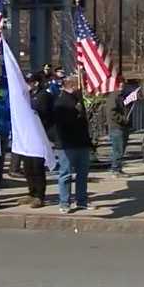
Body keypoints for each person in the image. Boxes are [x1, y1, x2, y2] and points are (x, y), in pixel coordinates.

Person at [51, 77, 94, 213]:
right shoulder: (61, 102)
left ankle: (81, 201)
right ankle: (64, 203)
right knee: (66, 174)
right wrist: (77, 113)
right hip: (67, 145)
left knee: (82, 174)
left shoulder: (78, 99)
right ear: (74, 86)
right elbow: (61, 125)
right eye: (80, 84)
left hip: (82, 142)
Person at [17, 72, 52, 208]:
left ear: (36, 83)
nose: (27, 84)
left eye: (29, 82)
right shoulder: (28, 96)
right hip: (27, 136)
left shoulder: (44, 96)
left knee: (37, 167)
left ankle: (39, 196)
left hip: (39, 135)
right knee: (28, 167)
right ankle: (31, 192)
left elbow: (44, 115)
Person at [104, 87, 128, 177]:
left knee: (120, 149)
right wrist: (122, 119)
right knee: (117, 149)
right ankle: (115, 169)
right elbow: (112, 112)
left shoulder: (120, 96)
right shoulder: (113, 97)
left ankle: (118, 168)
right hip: (116, 127)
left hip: (121, 126)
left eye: (123, 83)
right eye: (120, 83)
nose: (122, 85)